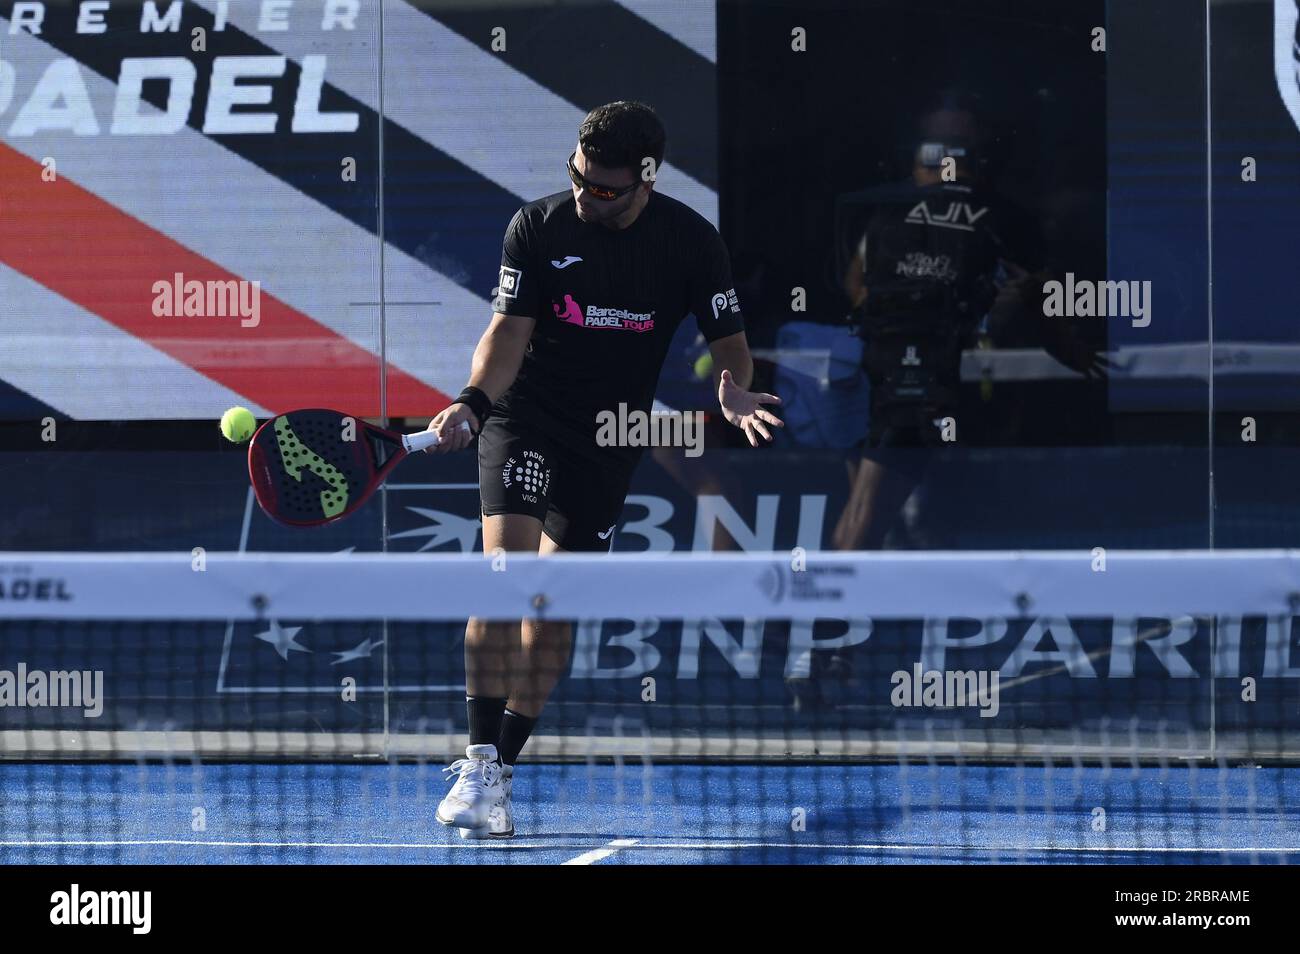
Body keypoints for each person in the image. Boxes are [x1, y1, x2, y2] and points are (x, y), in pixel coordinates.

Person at [424, 101, 783, 838]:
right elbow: (507, 332)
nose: (590, 196)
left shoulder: (690, 242)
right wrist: (471, 401)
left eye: (608, 190)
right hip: (524, 417)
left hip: (608, 438)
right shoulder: (539, 226)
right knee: (504, 578)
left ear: (647, 179)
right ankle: (478, 757)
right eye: (581, 180)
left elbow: (730, 342)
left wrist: (734, 386)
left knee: (554, 612)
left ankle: (501, 774)